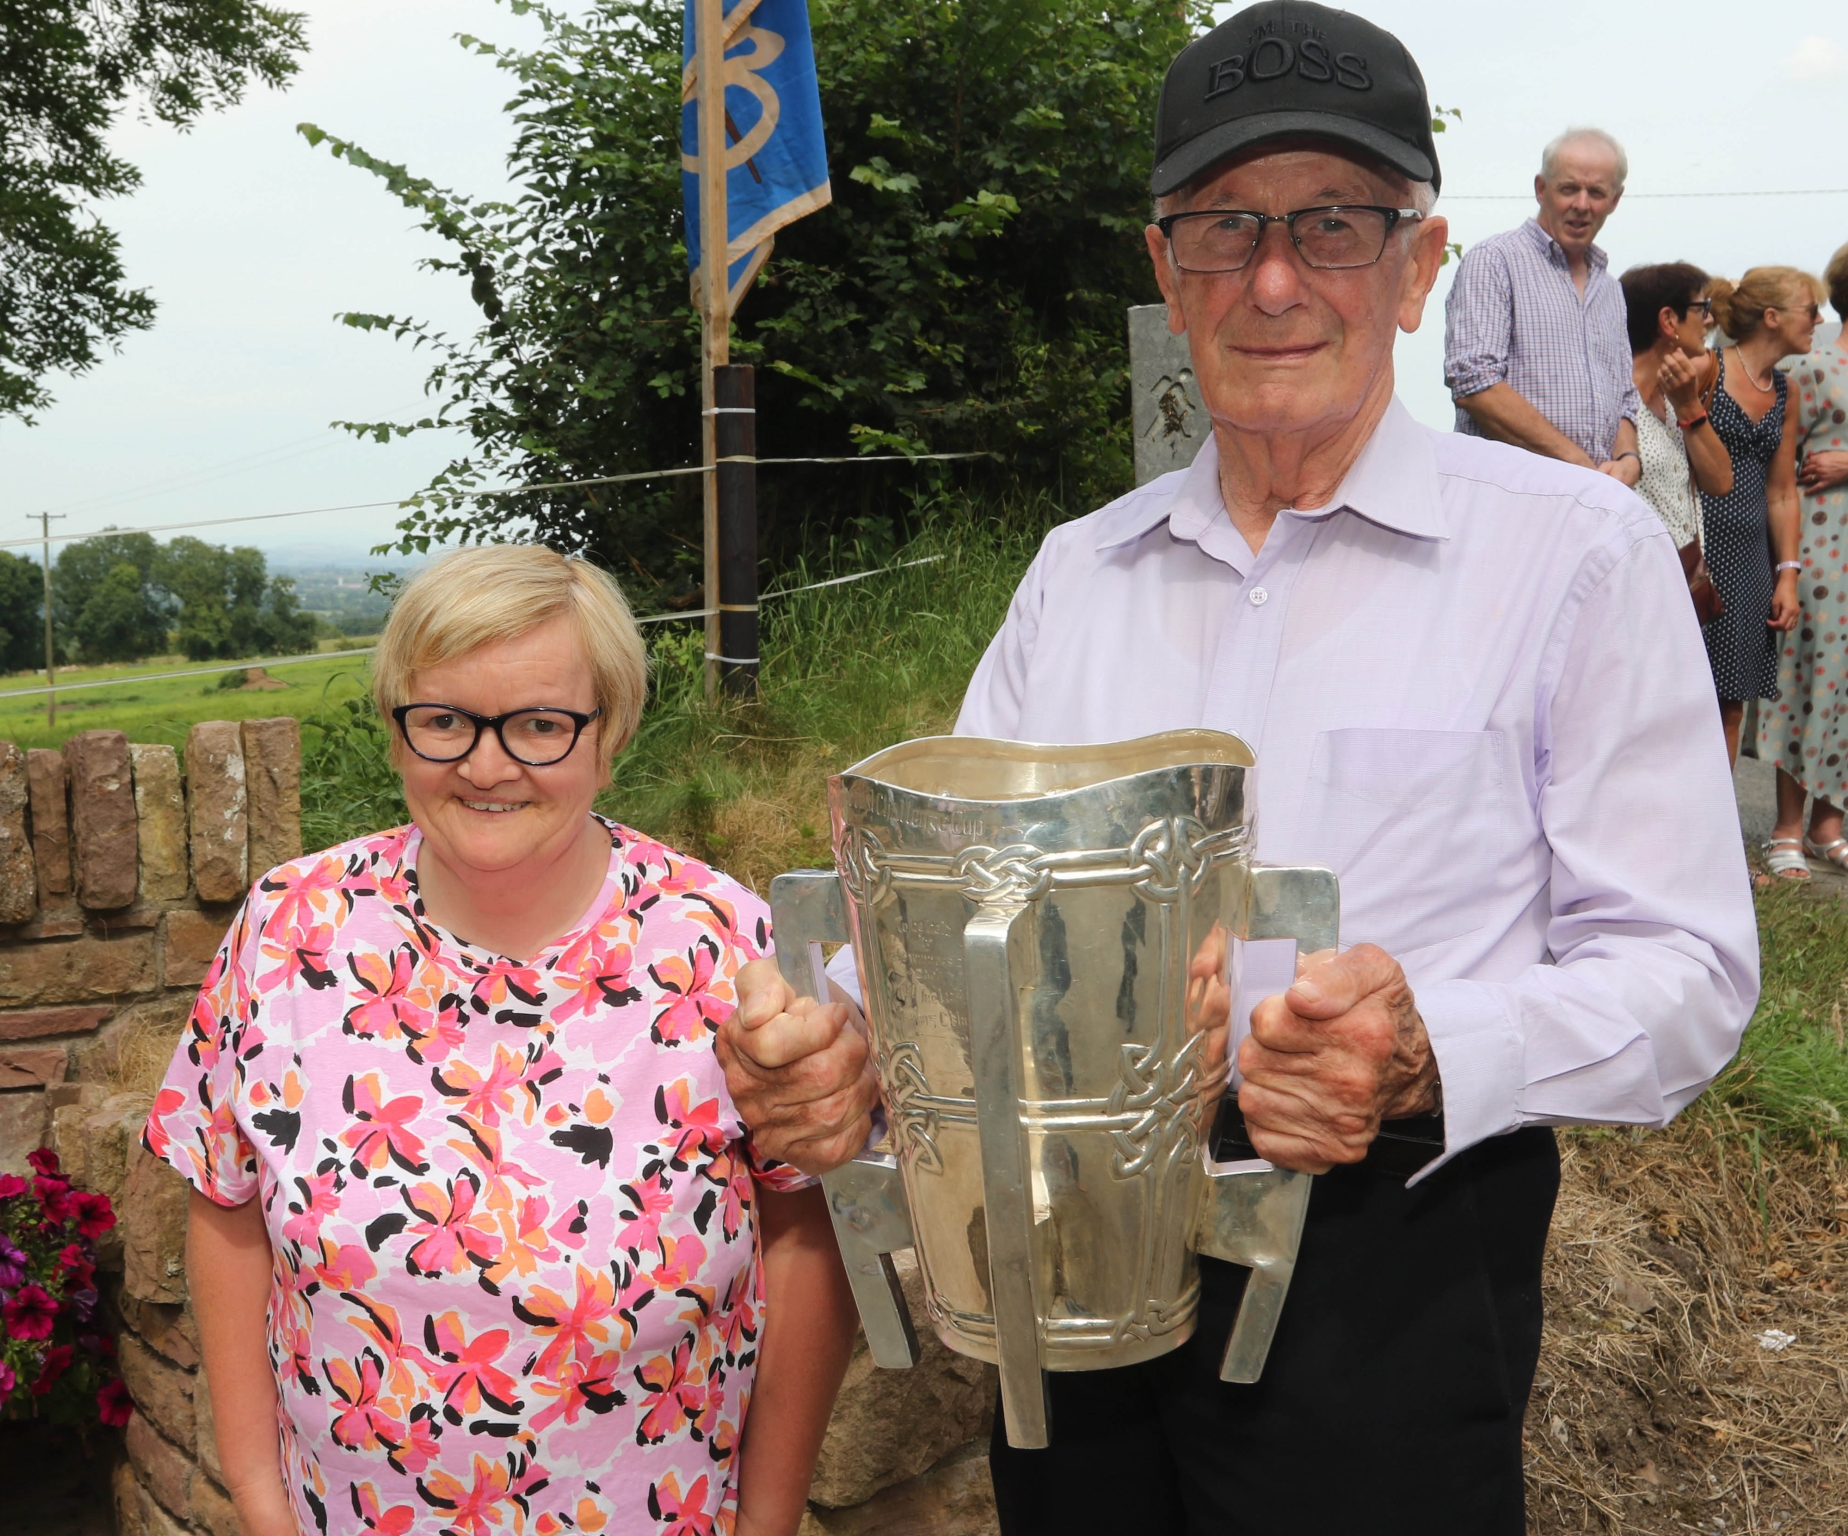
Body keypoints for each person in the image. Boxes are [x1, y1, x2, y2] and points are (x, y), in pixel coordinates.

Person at [716, 5, 1757, 1533]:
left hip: (1387, 1269)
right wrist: (852, 1061)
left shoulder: (1571, 553)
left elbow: (1689, 973)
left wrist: (1425, 1048)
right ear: (1164, 269)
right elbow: (949, 924)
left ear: (1417, 267)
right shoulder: (1077, 579)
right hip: (1062, 1265)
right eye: (1222, 228)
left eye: (1334, 224)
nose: (1274, 279)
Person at [142, 547, 857, 1536]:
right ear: (396, 732)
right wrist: (261, 1499)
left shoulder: (724, 947)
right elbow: (226, 1205)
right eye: (443, 721)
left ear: (610, 738)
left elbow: (808, 1231)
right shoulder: (286, 931)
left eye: (538, 725)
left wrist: (769, 1521)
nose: (485, 765)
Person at [1444, 127, 1641, 484]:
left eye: (1596, 192)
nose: (1581, 204)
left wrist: (1629, 459)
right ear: (1540, 188)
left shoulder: (1611, 290)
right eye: (1568, 188)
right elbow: (1475, 383)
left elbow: (1626, 398)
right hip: (1509, 501)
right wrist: (1579, 466)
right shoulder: (1495, 261)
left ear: (1615, 199)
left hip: (1592, 507)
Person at [1698, 267, 1817, 855]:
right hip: (1695, 548)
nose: (1817, 320)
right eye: (1808, 309)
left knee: (1729, 703)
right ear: (1772, 317)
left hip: (1749, 559)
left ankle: (1712, 843)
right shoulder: (1708, 369)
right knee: (1680, 696)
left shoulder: (1787, 390)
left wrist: (1787, 575)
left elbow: (1782, 490)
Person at [1764, 245, 1848, 872]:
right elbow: (1777, 465)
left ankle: (1830, 821)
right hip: (1821, 540)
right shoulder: (1808, 366)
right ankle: (1789, 826)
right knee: (1809, 670)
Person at [1621, 262, 1732, 553]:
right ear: (1669, 320)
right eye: (1701, 309)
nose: (1708, 321)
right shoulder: (1611, 402)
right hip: (1636, 582)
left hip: (1682, 581)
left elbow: (1721, 482)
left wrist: (1690, 407)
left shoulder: (1674, 397)